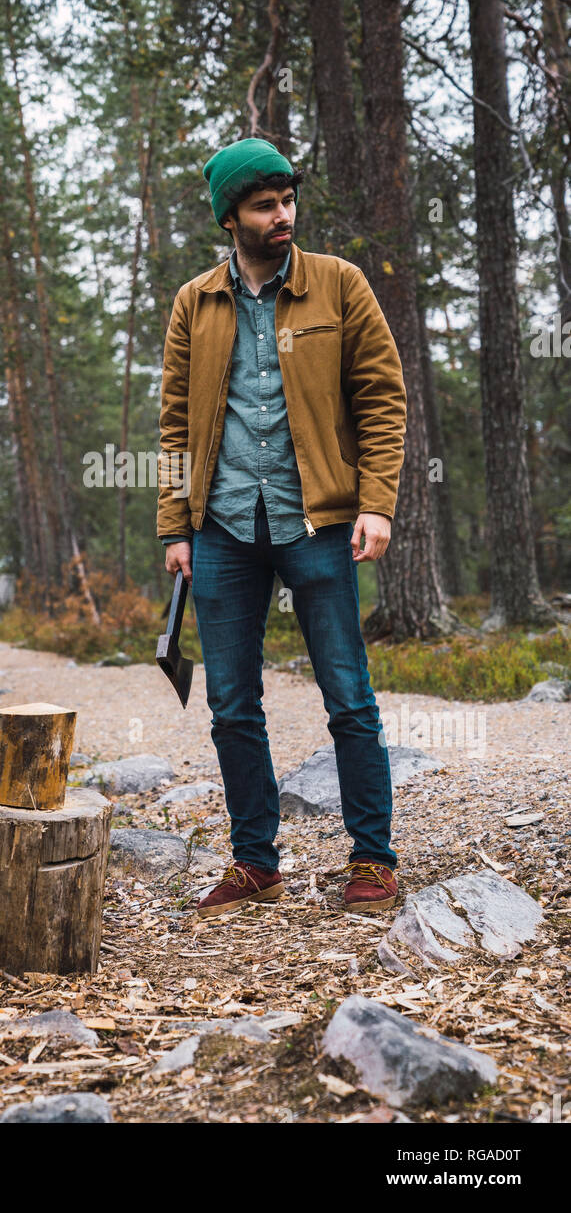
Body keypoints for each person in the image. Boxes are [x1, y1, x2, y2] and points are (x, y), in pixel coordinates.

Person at [157, 137, 407, 918]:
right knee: (232, 706)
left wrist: (376, 502)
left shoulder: (339, 284)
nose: (282, 216)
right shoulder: (193, 304)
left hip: (318, 522)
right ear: (229, 217)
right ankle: (254, 861)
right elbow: (172, 428)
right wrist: (175, 527)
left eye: (287, 201)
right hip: (222, 530)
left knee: (348, 698)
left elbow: (380, 398)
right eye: (264, 205)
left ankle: (371, 858)